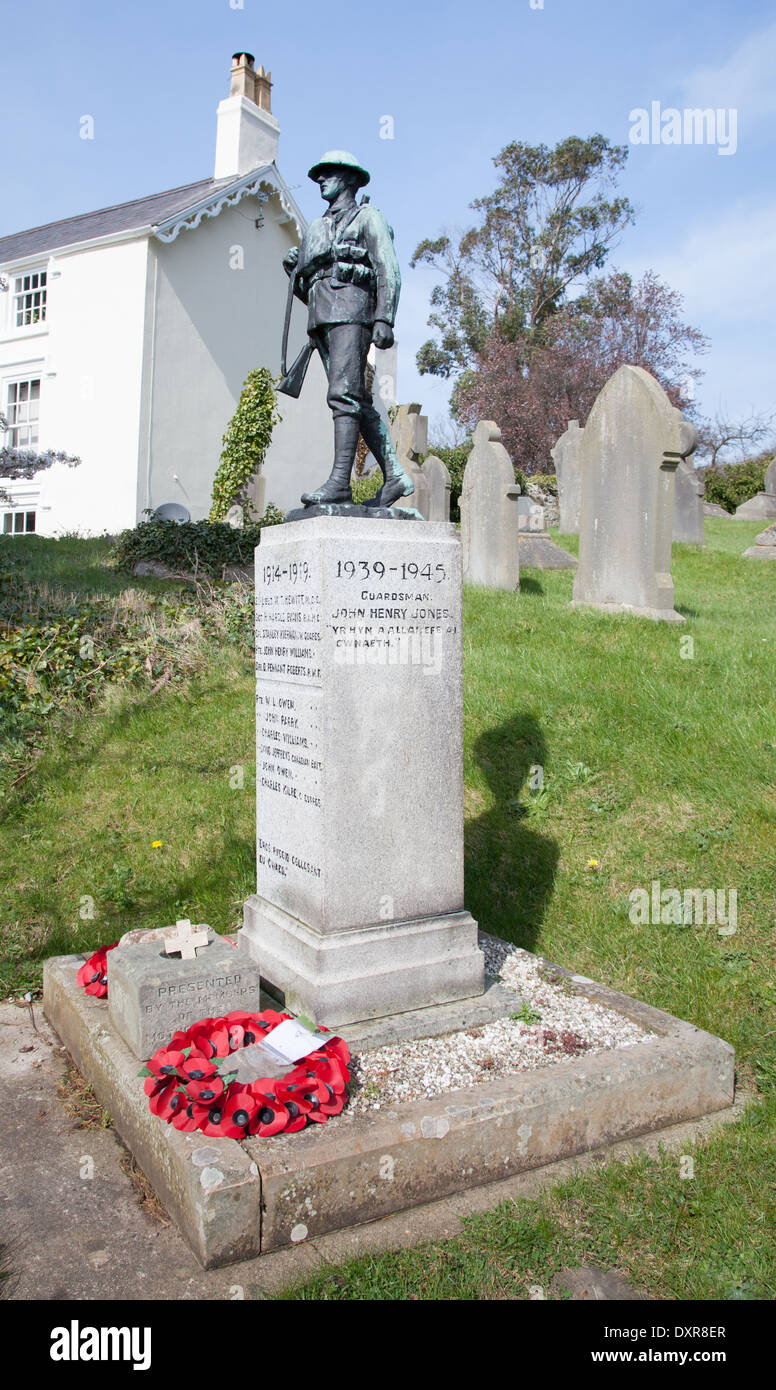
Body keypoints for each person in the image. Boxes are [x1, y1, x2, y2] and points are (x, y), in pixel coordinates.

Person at [280, 150, 413, 508]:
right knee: (352, 396)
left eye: (329, 173)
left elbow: (388, 268)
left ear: (350, 178)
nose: (321, 180)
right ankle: (396, 474)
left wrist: (384, 316)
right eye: (319, 175)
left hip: (353, 311)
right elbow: (308, 288)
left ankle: (340, 483)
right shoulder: (317, 227)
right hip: (323, 318)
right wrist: (294, 269)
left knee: (343, 394)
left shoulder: (368, 218)